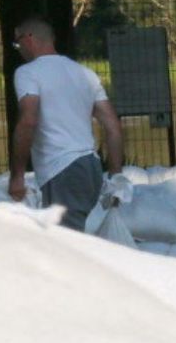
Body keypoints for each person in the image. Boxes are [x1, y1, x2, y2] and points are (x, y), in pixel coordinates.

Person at [7, 19, 123, 230]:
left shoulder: (27, 73)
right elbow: (113, 127)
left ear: (29, 39)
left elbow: (28, 120)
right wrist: (115, 178)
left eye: (17, 43)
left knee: (66, 249)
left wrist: (17, 176)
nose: (18, 49)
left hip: (63, 170)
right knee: (68, 241)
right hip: (90, 168)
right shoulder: (85, 74)